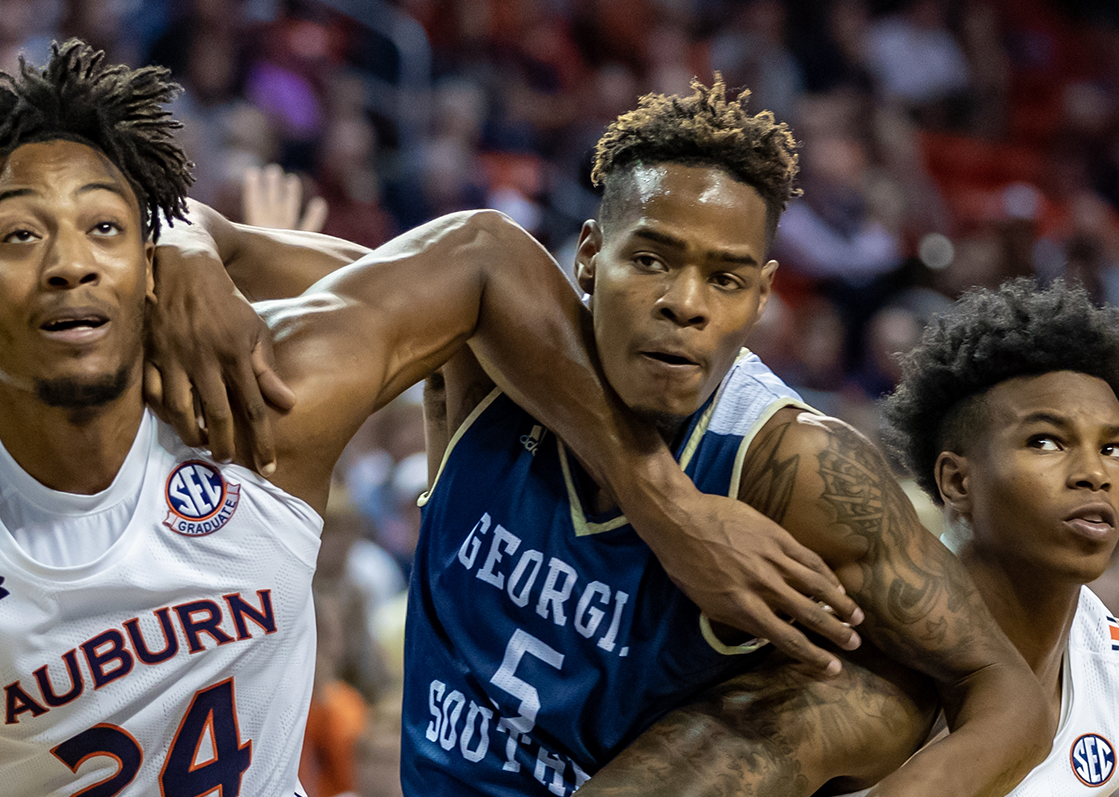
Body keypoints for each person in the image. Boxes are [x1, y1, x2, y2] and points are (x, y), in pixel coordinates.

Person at [0, 44, 856, 797]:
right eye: (19, 236)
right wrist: (187, 234)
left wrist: (667, 506)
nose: (72, 260)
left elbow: (485, 256)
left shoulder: (266, 404)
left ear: (145, 266)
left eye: (104, 228)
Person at [170, 77, 1051, 797]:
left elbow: (1007, 695)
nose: (685, 302)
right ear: (589, 255)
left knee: (862, 698)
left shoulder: (791, 465)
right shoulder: (475, 341)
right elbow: (209, 233)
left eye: (725, 277)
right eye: (653, 258)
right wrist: (185, 247)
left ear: (763, 295)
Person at [588, 280, 1119, 795]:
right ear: (957, 482)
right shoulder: (853, 677)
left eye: (1114, 448)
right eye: (1046, 441)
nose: (1095, 472)